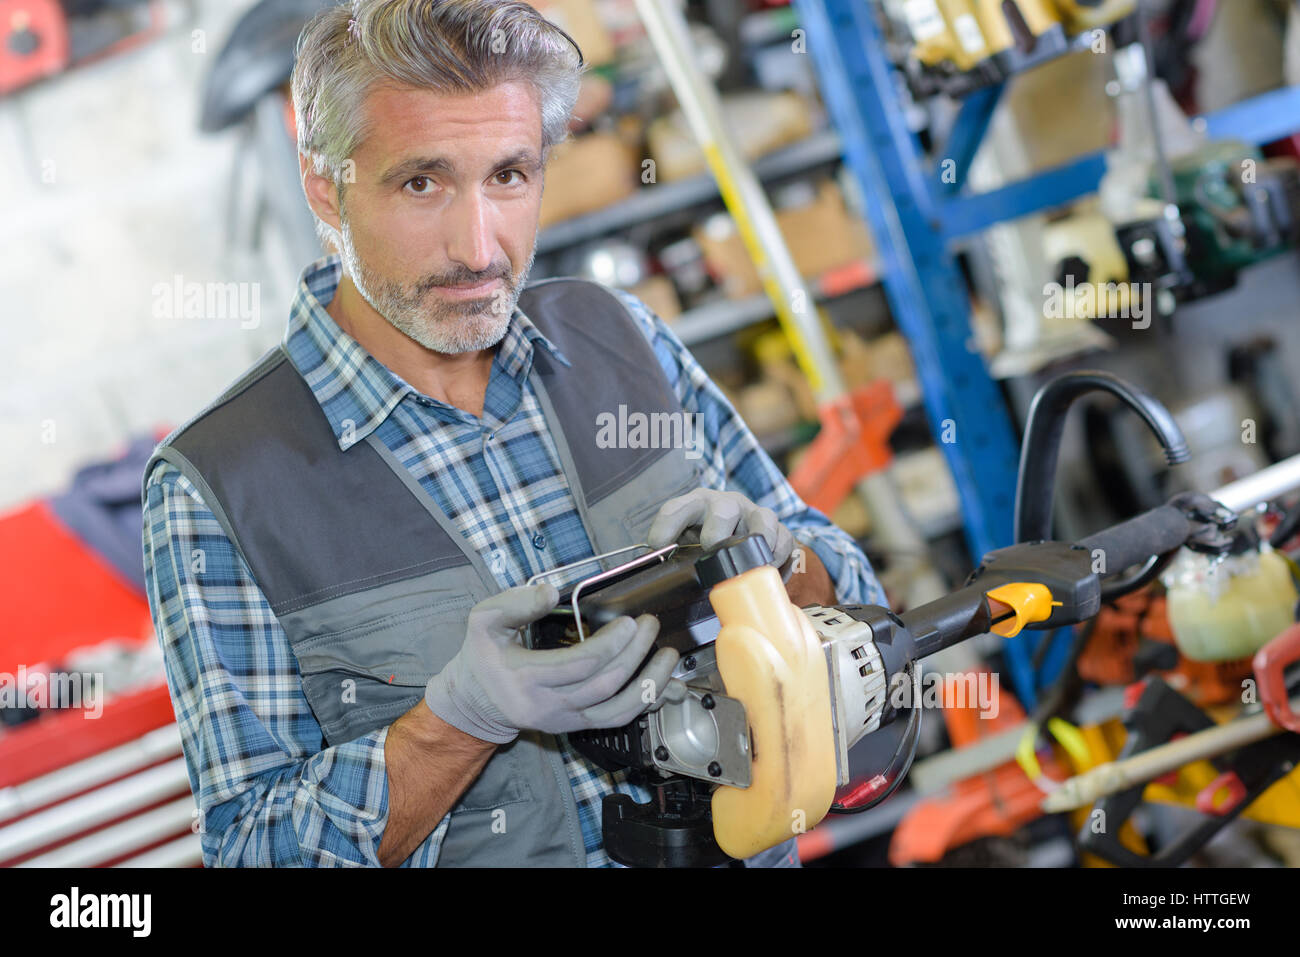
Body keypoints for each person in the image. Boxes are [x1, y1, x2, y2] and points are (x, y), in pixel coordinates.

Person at [141, 0, 884, 867]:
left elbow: (860, 604)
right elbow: (252, 849)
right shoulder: (219, 486)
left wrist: (783, 560)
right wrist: (455, 724)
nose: (479, 246)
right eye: (422, 182)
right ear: (324, 186)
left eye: (508, 175)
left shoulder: (618, 335)